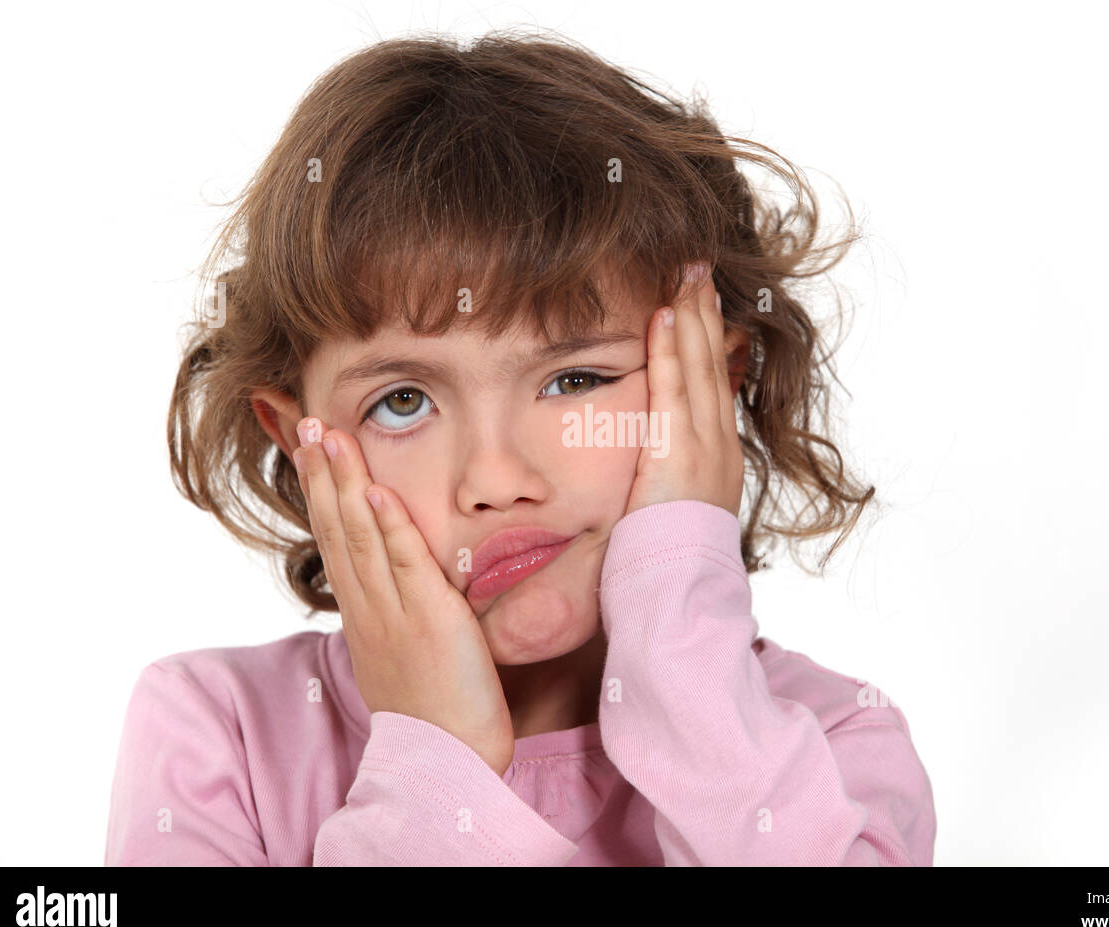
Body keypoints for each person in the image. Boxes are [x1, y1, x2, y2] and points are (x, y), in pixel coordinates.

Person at [105, 29, 936, 866]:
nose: (497, 481)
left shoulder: (836, 749)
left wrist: (680, 629)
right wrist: (433, 764)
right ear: (295, 439)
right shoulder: (218, 734)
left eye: (575, 381)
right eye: (403, 401)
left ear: (711, 388)